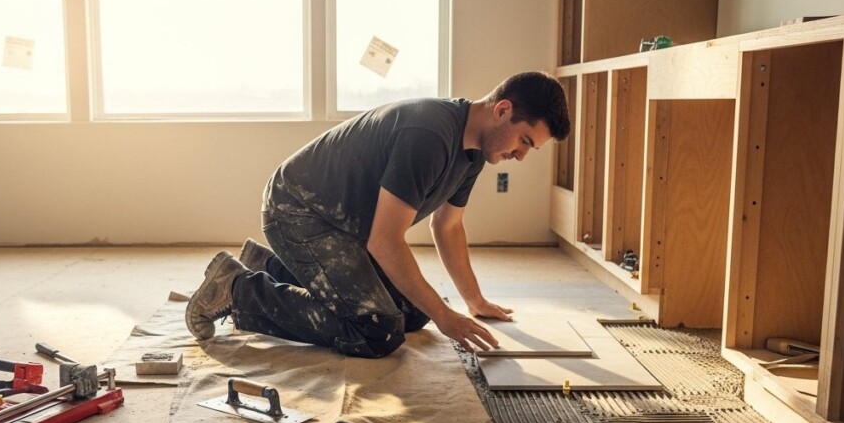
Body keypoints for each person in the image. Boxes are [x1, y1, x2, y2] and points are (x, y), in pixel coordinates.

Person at [186, 71, 570, 358]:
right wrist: (445, 316)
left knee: (414, 312)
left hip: (342, 228)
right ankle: (238, 289)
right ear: (503, 110)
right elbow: (385, 242)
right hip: (298, 212)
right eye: (524, 142)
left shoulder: (473, 154)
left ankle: (269, 266)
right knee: (378, 333)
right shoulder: (431, 135)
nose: (520, 156)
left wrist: (472, 301)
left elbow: (448, 226)